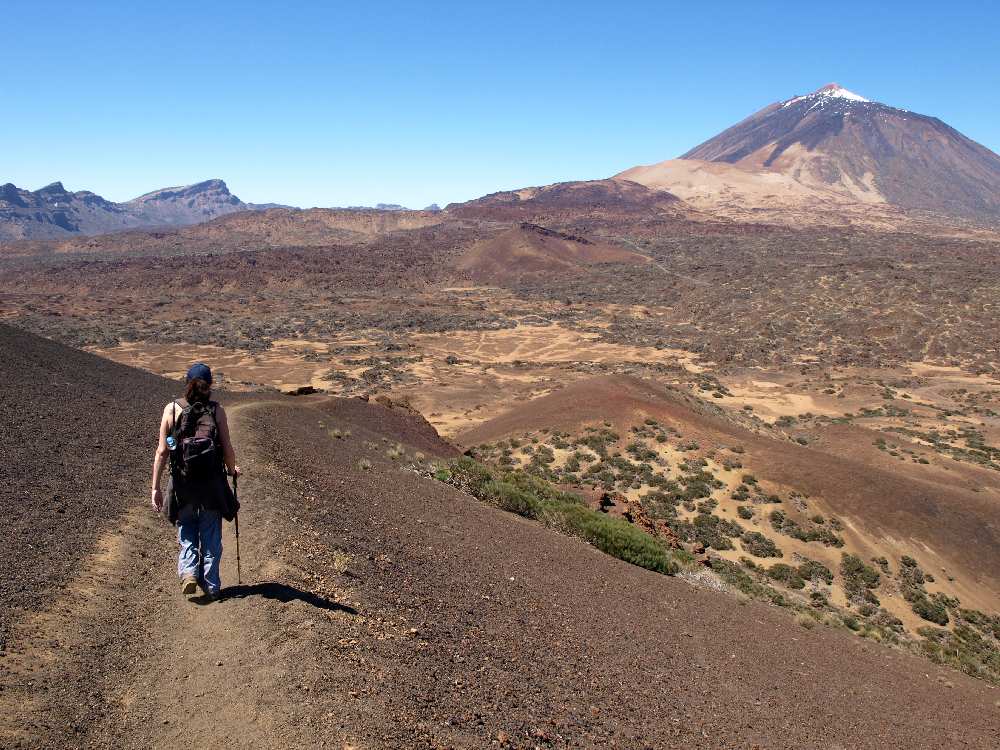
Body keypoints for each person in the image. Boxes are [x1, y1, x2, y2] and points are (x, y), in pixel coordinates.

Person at [151, 363, 240, 600]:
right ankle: (212, 586)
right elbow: (227, 449)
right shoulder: (216, 411)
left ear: (186, 383)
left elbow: (163, 451)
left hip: (182, 484)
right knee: (211, 535)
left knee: (187, 530)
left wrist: (155, 487)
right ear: (209, 385)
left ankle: (189, 572)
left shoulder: (171, 409)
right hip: (211, 485)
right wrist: (232, 470)